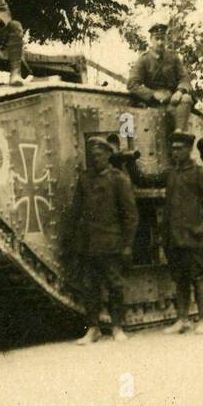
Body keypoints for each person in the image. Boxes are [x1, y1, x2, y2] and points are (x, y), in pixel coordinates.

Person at [65, 137, 138, 344]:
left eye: (98, 155)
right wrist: (72, 240)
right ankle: (94, 328)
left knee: (115, 285)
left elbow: (130, 215)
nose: (95, 159)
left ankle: (117, 327)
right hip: (89, 243)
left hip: (111, 242)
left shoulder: (118, 179)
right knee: (90, 287)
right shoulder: (85, 179)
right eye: (92, 155)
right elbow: (75, 211)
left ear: (108, 155)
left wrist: (127, 244)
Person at [155, 132, 203, 334]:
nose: (174, 151)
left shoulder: (199, 172)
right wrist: (131, 163)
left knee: (199, 277)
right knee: (180, 279)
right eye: (173, 148)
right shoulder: (170, 173)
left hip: (193, 237)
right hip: (174, 237)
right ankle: (182, 319)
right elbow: (145, 180)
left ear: (188, 150)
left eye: (179, 148)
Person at [127, 21, 194, 132]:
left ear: (166, 40)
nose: (160, 42)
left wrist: (180, 91)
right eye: (157, 39)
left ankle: (179, 133)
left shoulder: (173, 58)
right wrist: (153, 94)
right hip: (153, 103)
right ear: (151, 40)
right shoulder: (144, 60)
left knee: (186, 98)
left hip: (172, 101)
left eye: (162, 39)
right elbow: (132, 84)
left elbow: (184, 78)